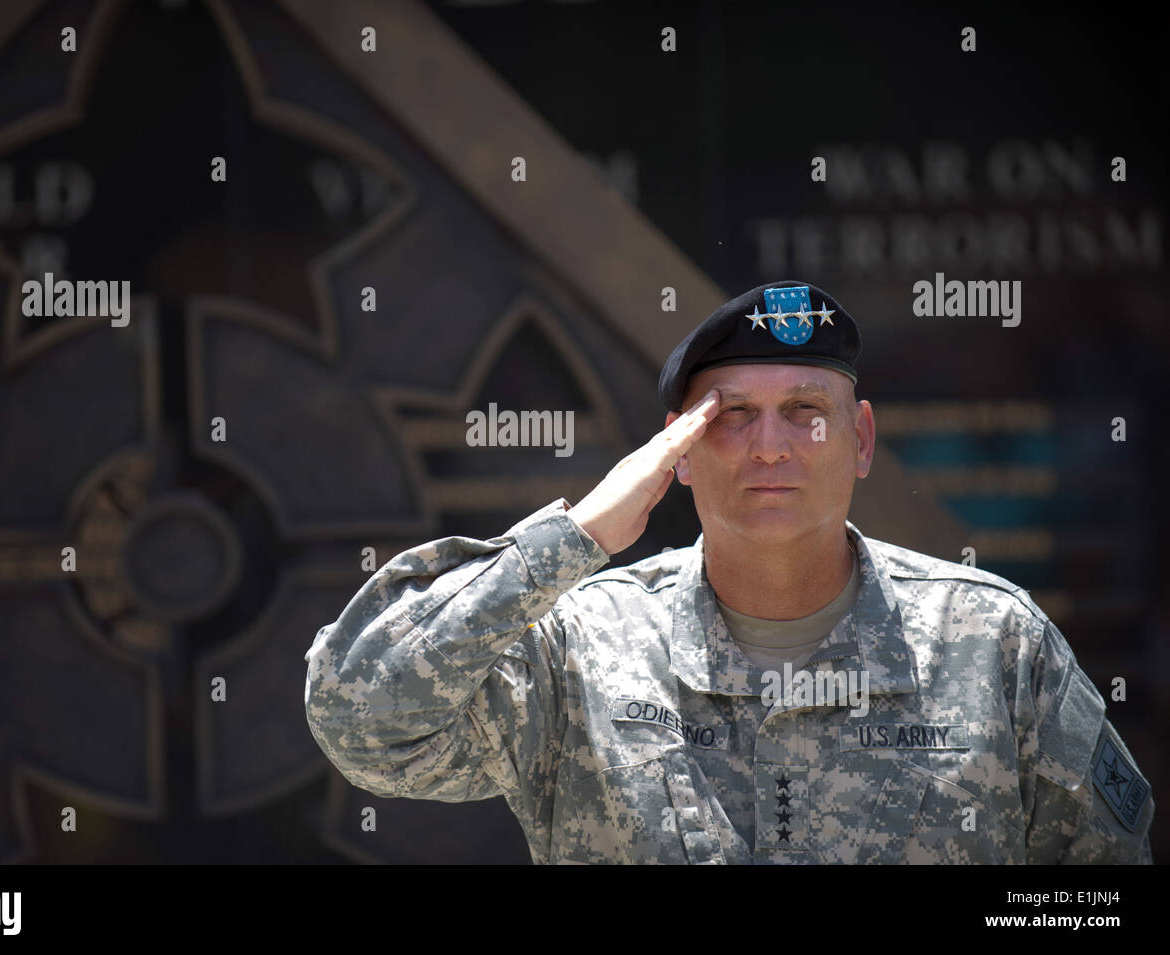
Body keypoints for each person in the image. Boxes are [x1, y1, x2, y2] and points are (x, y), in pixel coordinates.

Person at [305, 280, 1154, 864]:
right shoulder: (581, 647)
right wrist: (579, 534)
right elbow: (363, 720)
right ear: (676, 449)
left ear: (860, 440)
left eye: (804, 412)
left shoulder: (993, 641)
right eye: (733, 415)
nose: (771, 444)